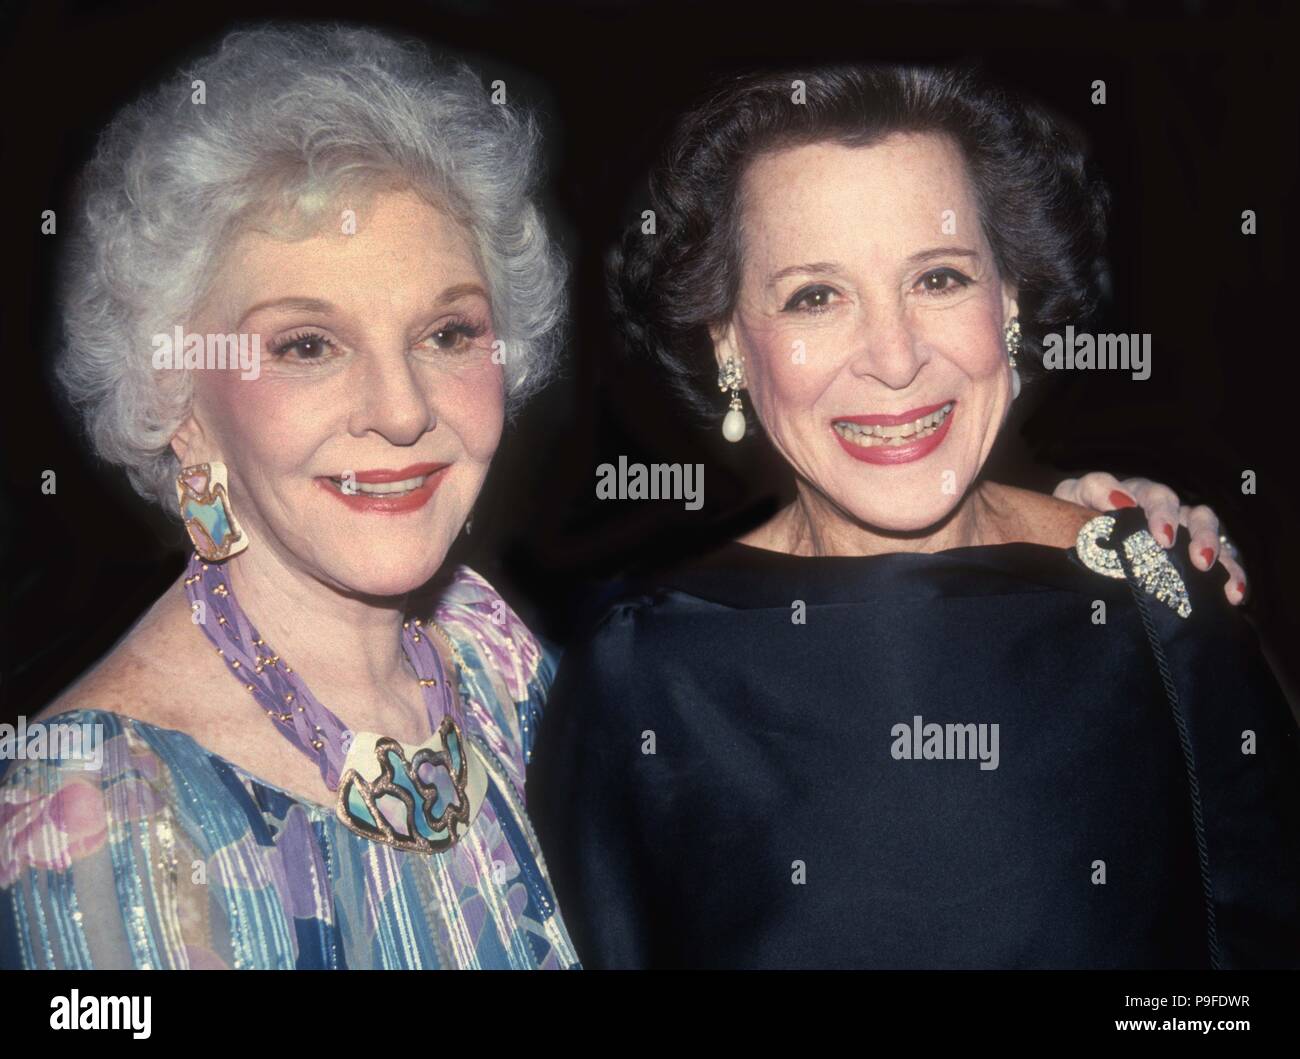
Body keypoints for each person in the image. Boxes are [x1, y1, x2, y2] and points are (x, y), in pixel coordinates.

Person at [529, 65, 1300, 969]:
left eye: (939, 278)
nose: (894, 359)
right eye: (815, 295)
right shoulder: (640, 670)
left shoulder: (1159, 592)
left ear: (1009, 300)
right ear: (731, 343)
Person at [0, 25, 578, 970]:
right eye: (308, 344)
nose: (401, 411)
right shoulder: (90, 818)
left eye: (447, 333)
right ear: (179, 404)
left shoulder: (490, 650)